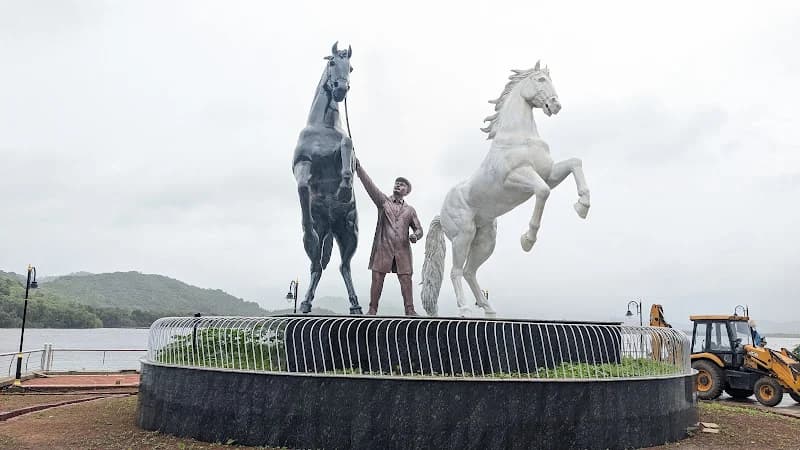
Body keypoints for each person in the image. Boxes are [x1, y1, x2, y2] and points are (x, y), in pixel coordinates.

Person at [355, 159, 423, 316]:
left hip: (402, 251)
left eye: (402, 184)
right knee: (377, 277)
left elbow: (419, 229)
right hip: (383, 248)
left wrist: (415, 236)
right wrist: (359, 169)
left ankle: (410, 310)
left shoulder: (410, 210)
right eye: (396, 183)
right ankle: (372, 309)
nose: (398, 185)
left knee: (406, 279)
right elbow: (370, 186)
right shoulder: (383, 202)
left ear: (406, 191)